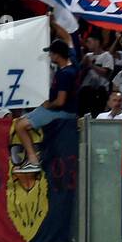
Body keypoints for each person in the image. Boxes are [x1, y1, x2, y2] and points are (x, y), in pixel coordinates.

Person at [12, 40, 78, 173]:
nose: (50, 56)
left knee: (20, 125)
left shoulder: (65, 74)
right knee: (22, 120)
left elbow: (60, 102)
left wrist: (48, 105)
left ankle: (33, 161)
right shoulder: (72, 66)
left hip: (61, 111)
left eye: (51, 54)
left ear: (58, 55)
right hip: (60, 109)